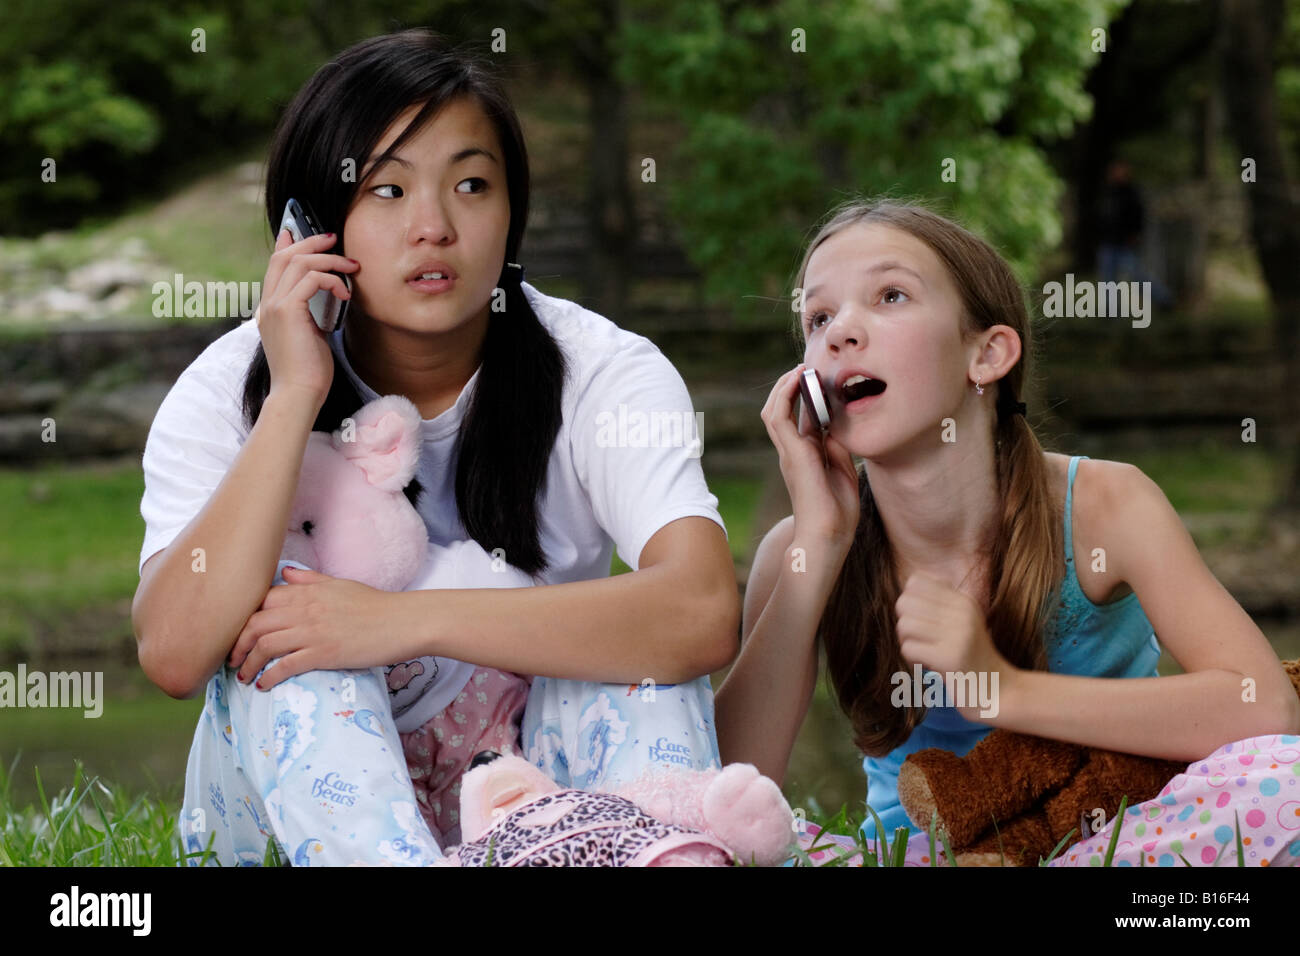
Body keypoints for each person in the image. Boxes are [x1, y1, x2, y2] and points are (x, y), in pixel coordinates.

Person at [131, 30, 739, 866]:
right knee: (289, 639)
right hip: (294, 810)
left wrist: (395, 623)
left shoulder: (603, 371)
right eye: (386, 189)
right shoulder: (227, 385)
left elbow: (700, 612)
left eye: (471, 185)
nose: (433, 227)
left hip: (528, 797)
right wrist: (295, 394)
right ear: (307, 224)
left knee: (636, 656)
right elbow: (173, 651)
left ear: (510, 212)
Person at [715, 198, 1300, 866]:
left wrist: (1002, 689)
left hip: (1116, 836)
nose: (842, 330)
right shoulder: (799, 550)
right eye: (819, 316)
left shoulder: (1105, 505)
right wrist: (818, 545)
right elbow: (727, 789)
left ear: (986, 353)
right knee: (692, 843)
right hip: (919, 857)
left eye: (891, 295)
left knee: (1288, 783)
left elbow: (1265, 711)